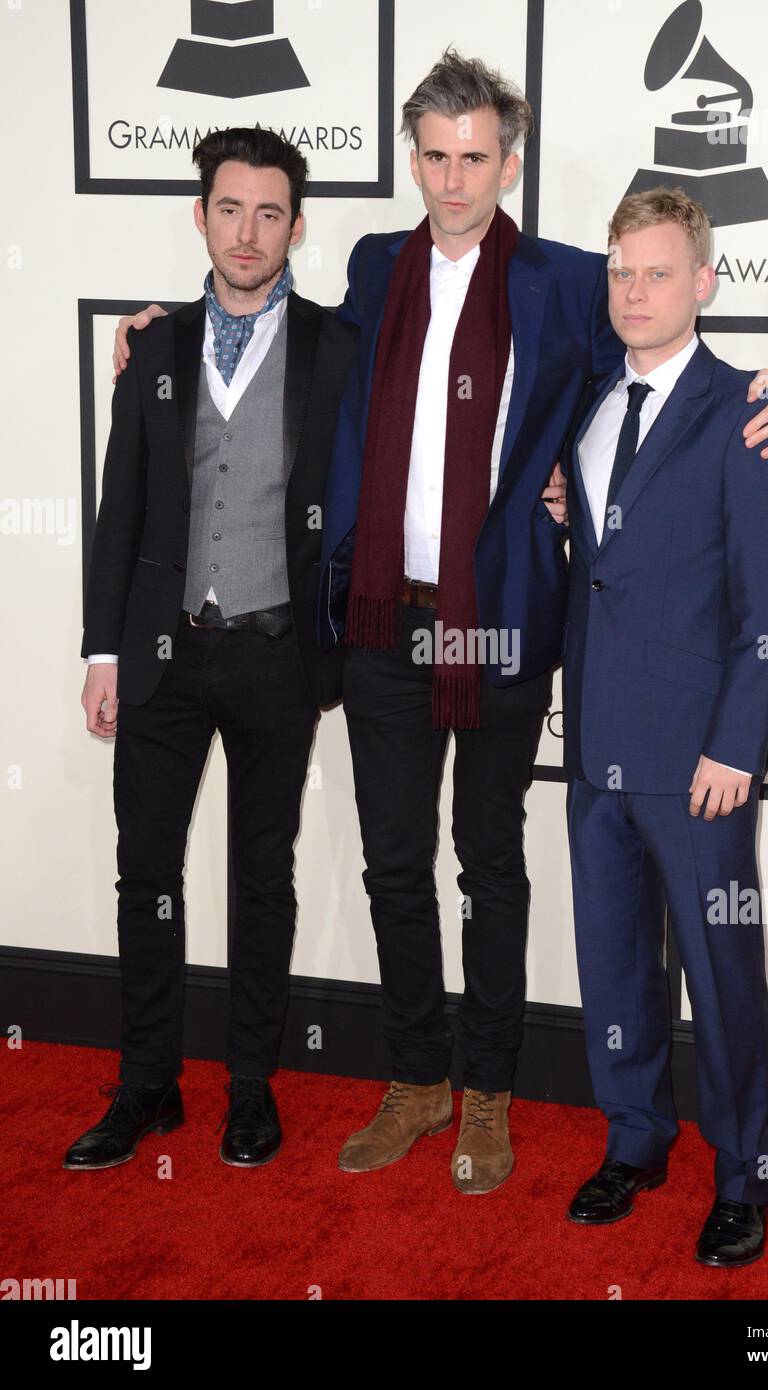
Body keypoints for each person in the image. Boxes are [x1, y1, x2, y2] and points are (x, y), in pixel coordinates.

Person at [114, 50, 768, 1197]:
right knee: (394, 862)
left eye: (474, 157)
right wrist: (162, 332)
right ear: (412, 158)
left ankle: (487, 1091)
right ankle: (418, 1077)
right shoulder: (377, 267)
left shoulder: (567, 281)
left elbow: (656, 370)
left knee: (487, 863)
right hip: (386, 626)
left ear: (508, 160)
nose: (452, 179)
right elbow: (283, 346)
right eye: (433, 156)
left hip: (500, 631)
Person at [69, 128, 357, 1172]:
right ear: (201, 215)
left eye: (269, 212)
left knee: (260, 874)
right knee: (144, 870)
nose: (247, 230)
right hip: (162, 652)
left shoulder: (338, 349)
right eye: (228, 208)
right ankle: (146, 1085)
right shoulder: (152, 347)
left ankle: (249, 1086)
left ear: (294, 225)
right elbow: (120, 511)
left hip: (279, 657)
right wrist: (99, 650)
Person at [561, 186, 768, 1266]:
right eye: (620, 270)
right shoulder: (589, 402)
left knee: (721, 967)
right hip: (596, 742)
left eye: (656, 272)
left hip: (695, 756)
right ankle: (634, 1139)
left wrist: (731, 743)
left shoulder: (747, 409)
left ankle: (745, 1166)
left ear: (702, 282)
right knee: (612, 963)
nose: (633, 290)